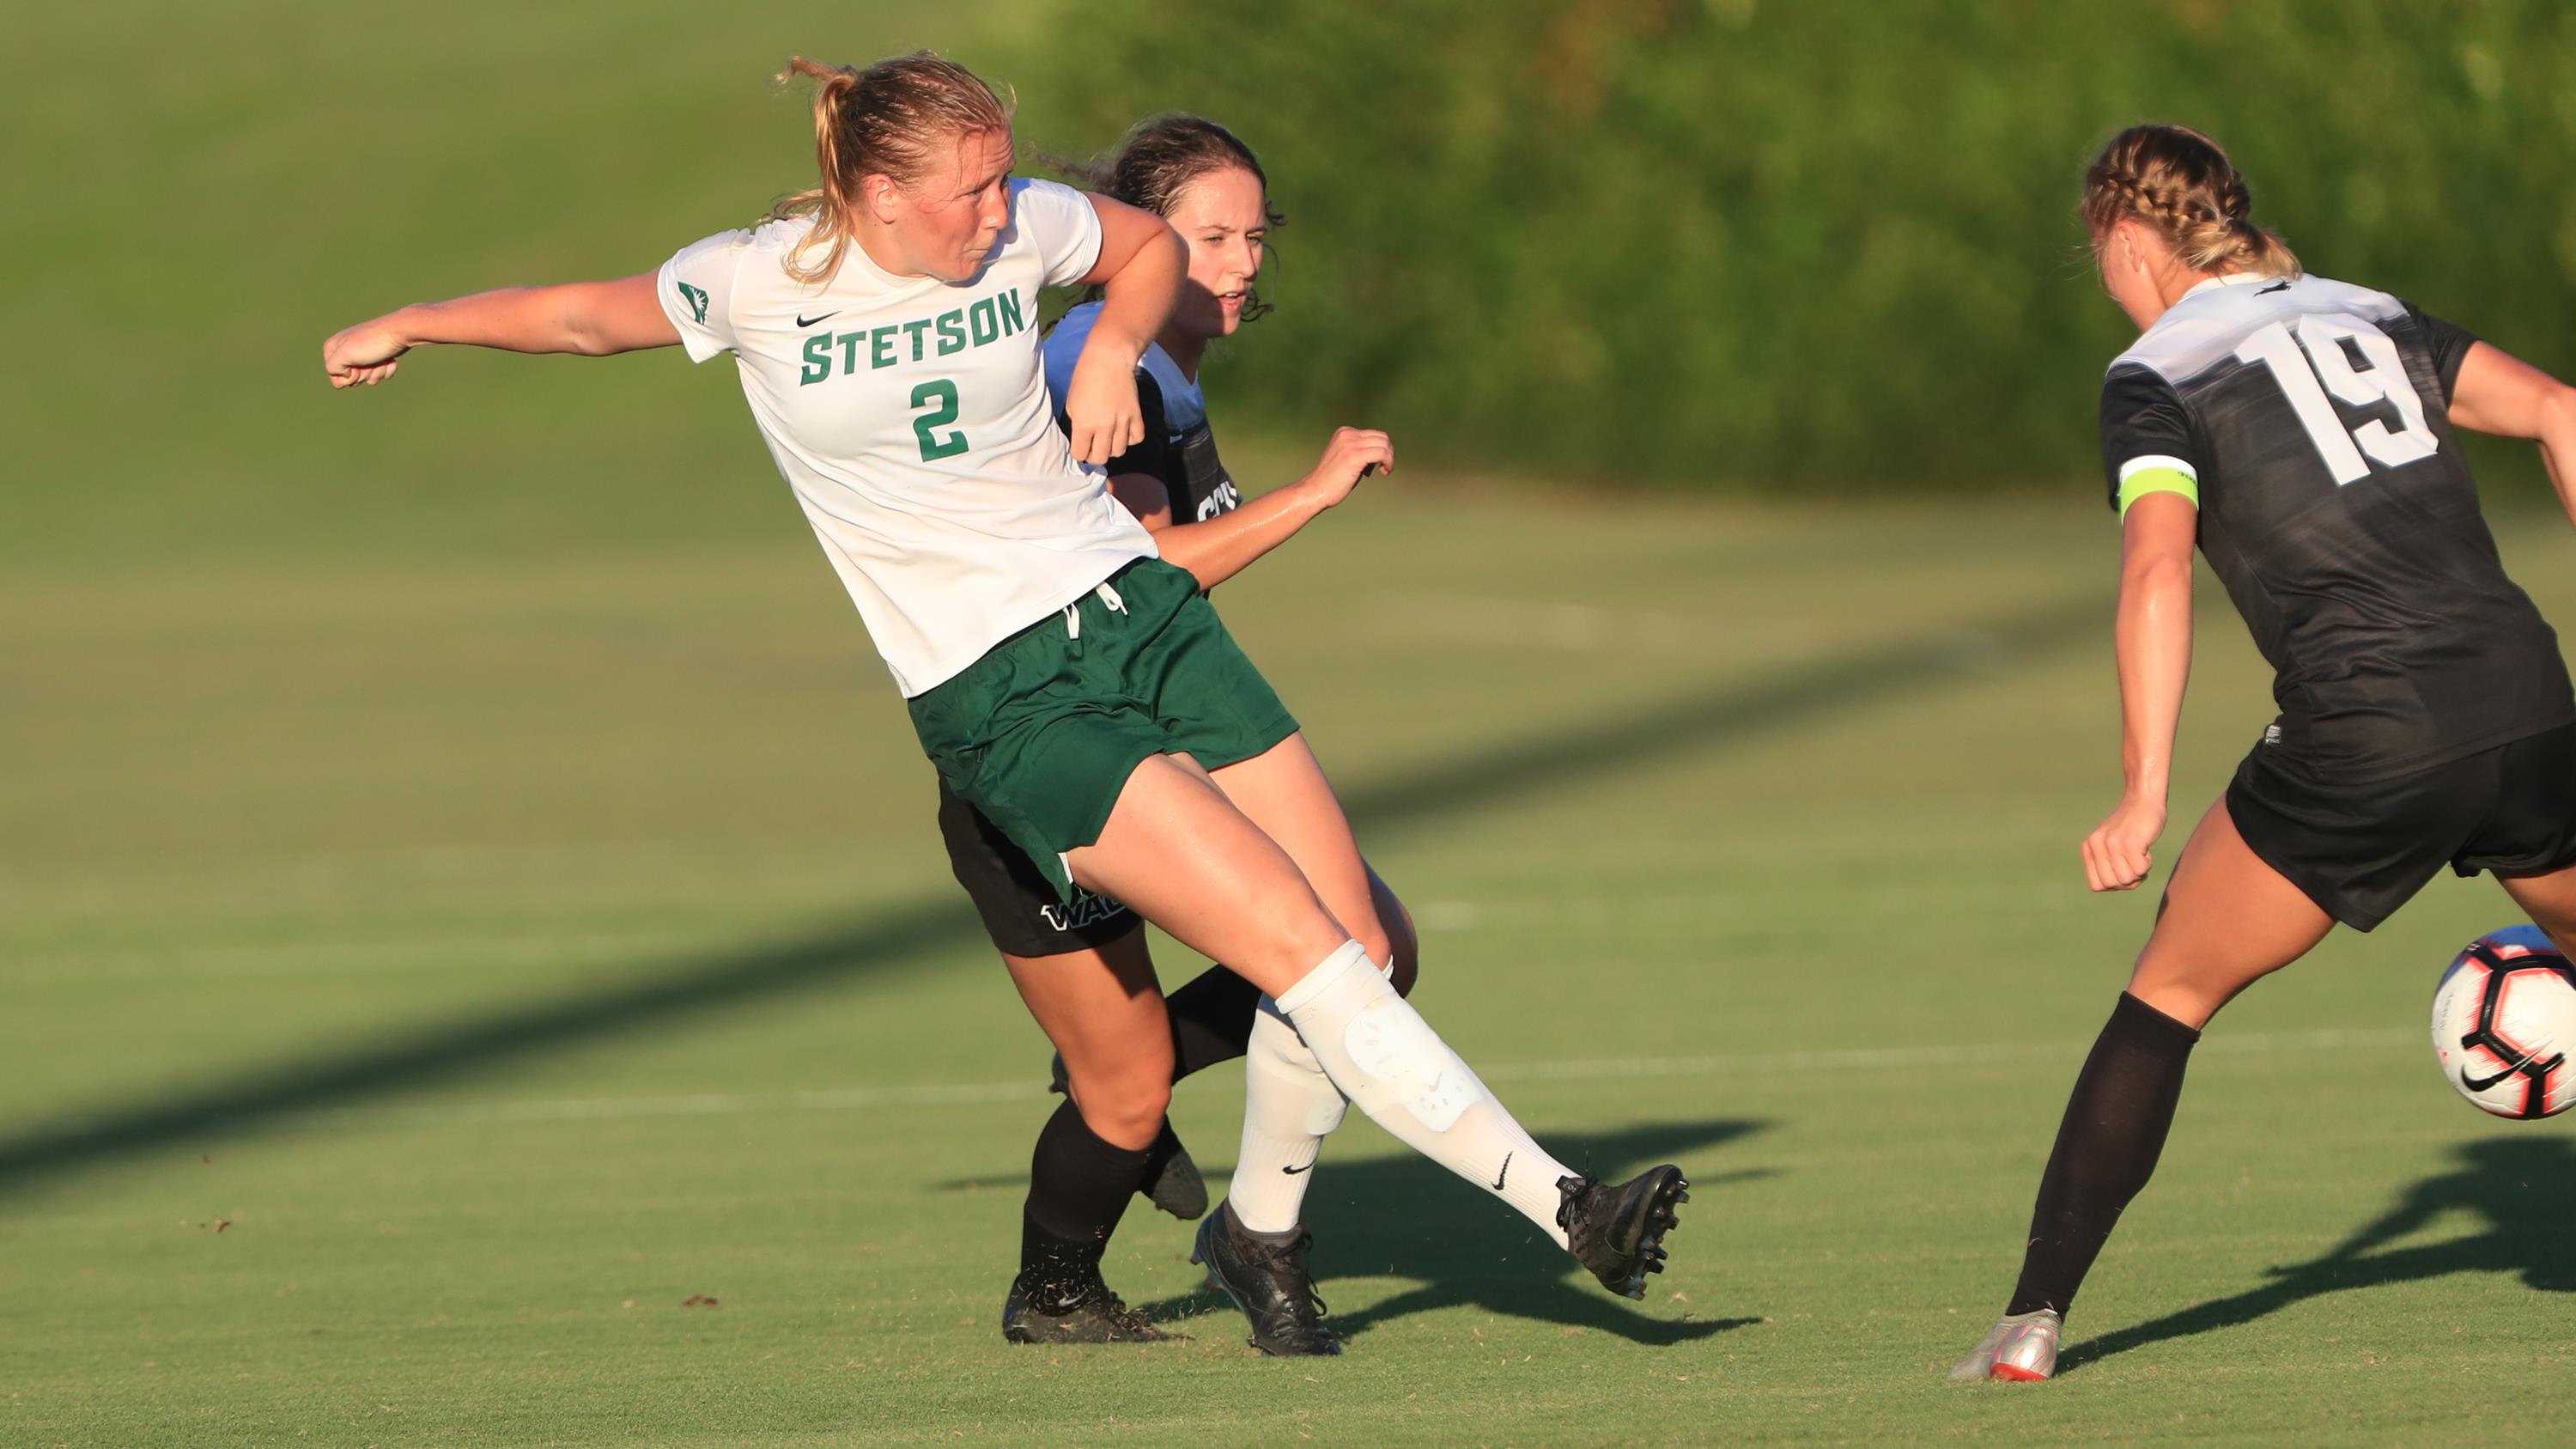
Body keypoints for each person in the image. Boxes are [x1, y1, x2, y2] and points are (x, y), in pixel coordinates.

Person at [321, 51, 1686, 1356]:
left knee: (1362, 944)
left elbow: (1140, 249)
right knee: (1286, 954)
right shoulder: (753, 279)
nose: (1002, 211)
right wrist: (414, 322)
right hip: (1011, 696)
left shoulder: (1025, 222)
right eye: (971, 191)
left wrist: (1112, 349)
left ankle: (1261, 1236)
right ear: (879, 193)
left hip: (1145, 623)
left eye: (1001, 182)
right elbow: (577, 316)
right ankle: (1568, 1207)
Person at [1950, 123, 2576, 1383]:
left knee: (2168, 995)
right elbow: (2563, 410)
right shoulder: (2372, 311)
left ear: (2128, 238)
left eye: (2100, 253)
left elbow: (2155, 571)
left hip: (2366, 735)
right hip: (2523, 697)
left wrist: (2143, 790)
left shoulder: (2154, 375)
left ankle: (2028, 1324)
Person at [933, 112, 1419, 1355]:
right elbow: (1148, 568)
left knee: (1354, 952)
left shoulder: (1159, 364)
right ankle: (1104, 1275)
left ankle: (1189, 1243)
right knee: (1165, 1061)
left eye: (1257, 236)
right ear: (1141, 241)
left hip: (1141, 715)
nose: (1244, 262)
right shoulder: (1115, 360)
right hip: (1062, 739)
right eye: (1211, 238)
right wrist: (1310, 495)